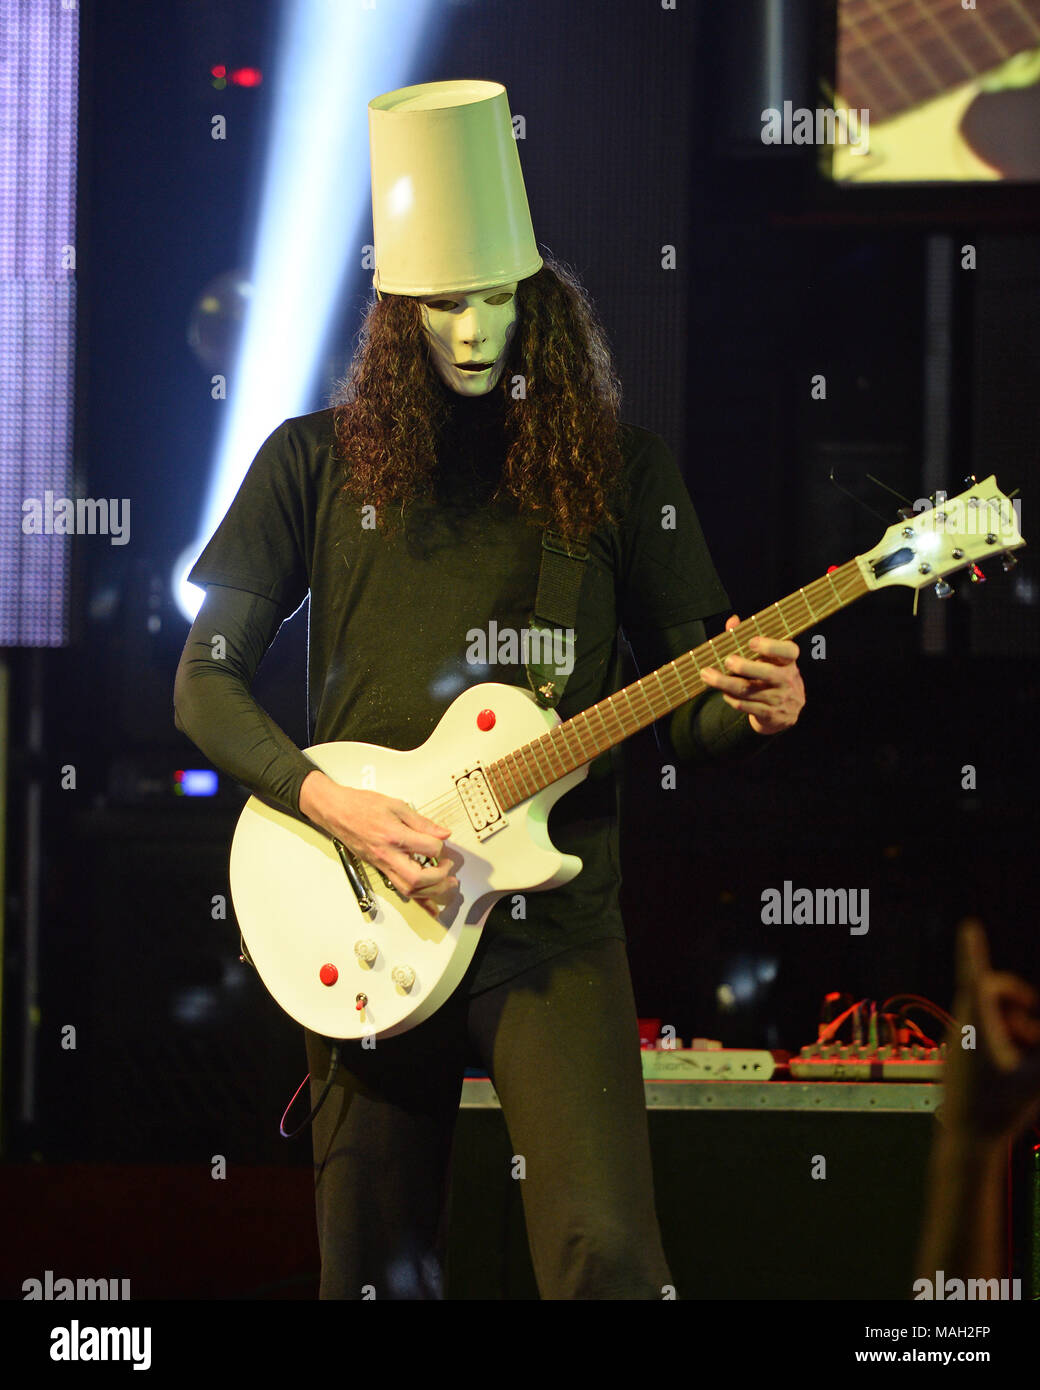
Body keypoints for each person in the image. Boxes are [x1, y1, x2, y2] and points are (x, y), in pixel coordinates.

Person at [173, 79, 805, 1300]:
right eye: (441, 304)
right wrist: (329, 802)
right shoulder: (311, 461)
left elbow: (692, 698)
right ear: (396, 315)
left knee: (605, 1256)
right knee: (372, 1270)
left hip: (548, 928)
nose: (470, 331)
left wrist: (754, 705)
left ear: (541, 302)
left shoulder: (620, 472)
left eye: (497, 299)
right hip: (370, 913)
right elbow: (204, 685)